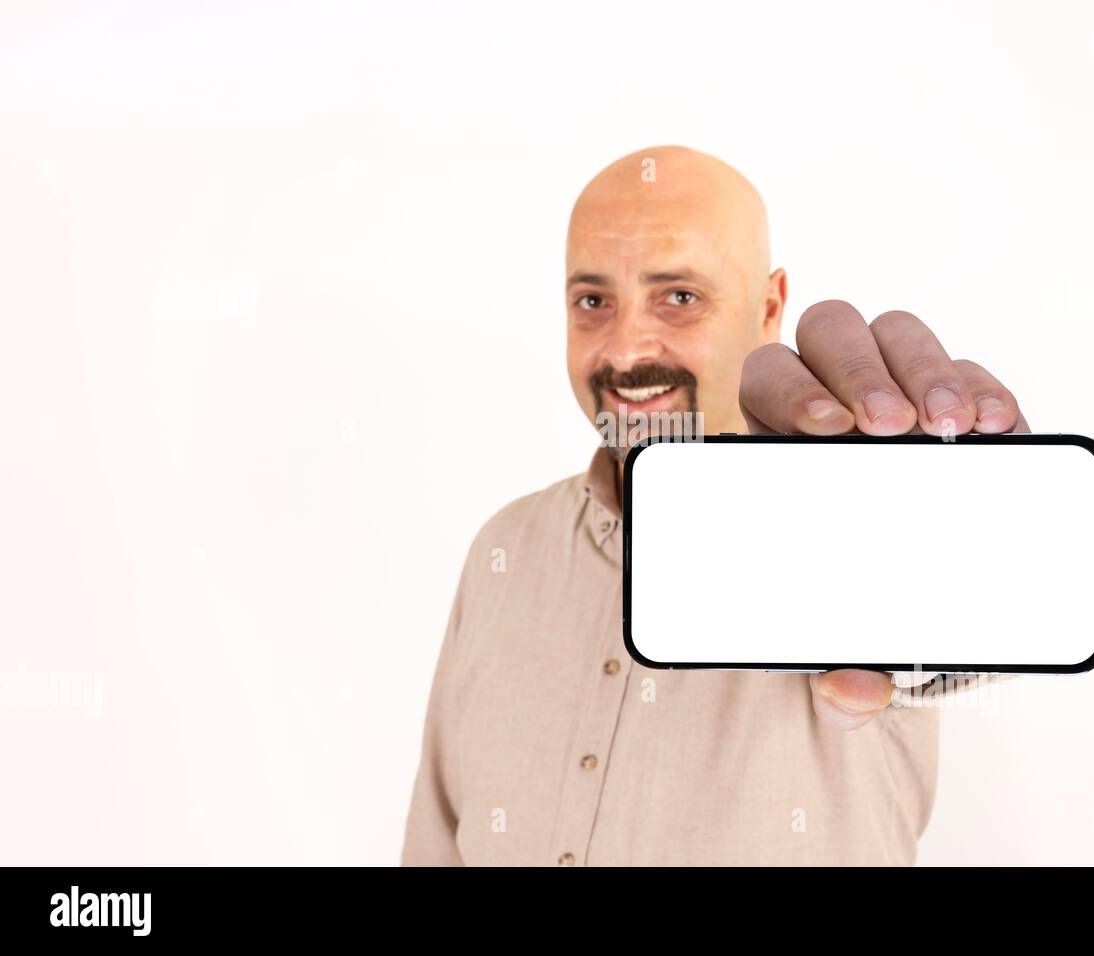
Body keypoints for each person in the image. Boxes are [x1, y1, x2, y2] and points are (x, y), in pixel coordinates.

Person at [401, 146, 1027, 866]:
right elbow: (434, 839)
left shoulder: (843, 533)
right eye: (592, 302)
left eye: (679, 296)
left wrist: (974, 520)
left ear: (767, 309)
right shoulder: (503, 551)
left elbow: (948, 628)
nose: (628, 349)